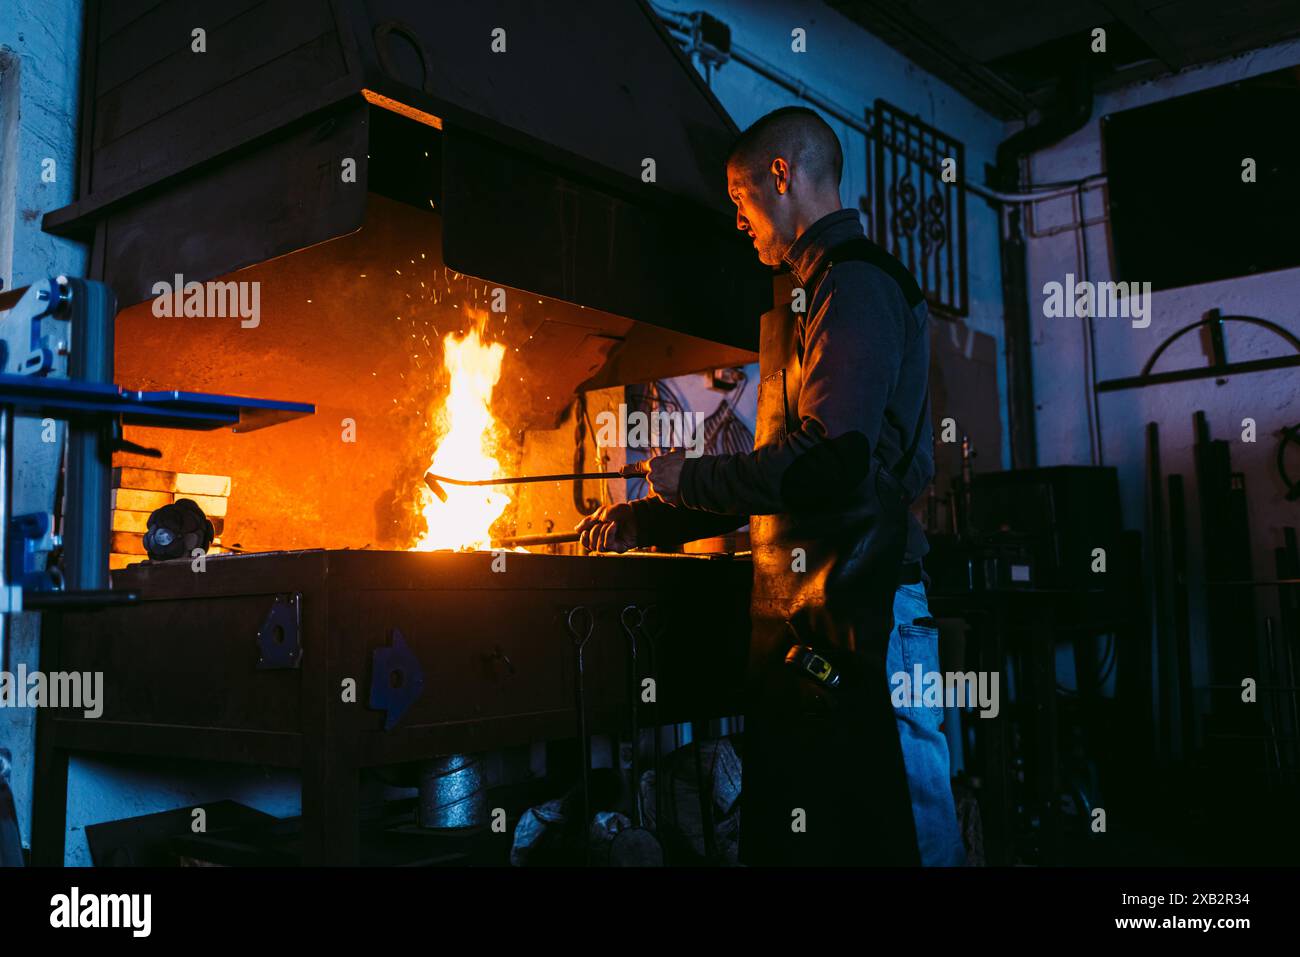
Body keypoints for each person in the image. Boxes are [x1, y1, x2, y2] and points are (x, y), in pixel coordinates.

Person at [577, 106, 963, 866]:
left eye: (740, 196)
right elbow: (780, 478)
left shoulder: (855, 285)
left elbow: (829, 461)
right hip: (823, 606)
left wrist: (689, 478)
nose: (739, 221)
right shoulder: (807, 299)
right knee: (847, 825)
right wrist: (651, 519)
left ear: (780, 176)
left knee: (905, 818)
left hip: (870, 602)